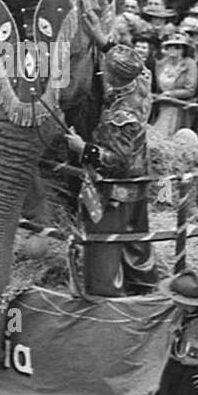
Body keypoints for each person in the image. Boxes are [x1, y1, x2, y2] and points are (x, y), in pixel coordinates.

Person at [65, 44, 158, 297]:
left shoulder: (122, 113)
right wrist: (104, 42)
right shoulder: (140, 85)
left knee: (104, 245)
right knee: (136, 241)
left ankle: (105, 292)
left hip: (115, 189)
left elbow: (118, 159)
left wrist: (83, 148)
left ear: (110, 76)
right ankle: (144, 286)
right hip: (139, 181)